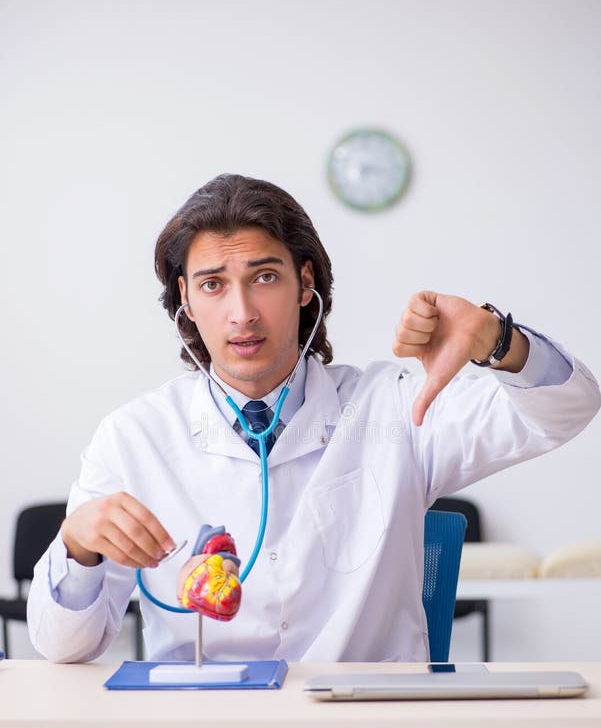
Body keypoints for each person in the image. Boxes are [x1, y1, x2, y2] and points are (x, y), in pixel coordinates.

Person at [27, 174, 600, 664]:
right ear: (185, 298)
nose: (242, 313)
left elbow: (567, 407)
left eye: (265, 277)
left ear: (305, 284)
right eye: (213, 285)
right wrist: (77, 546)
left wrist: (496, 339)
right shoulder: (135, 438)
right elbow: (64, 648)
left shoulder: (395, 405)